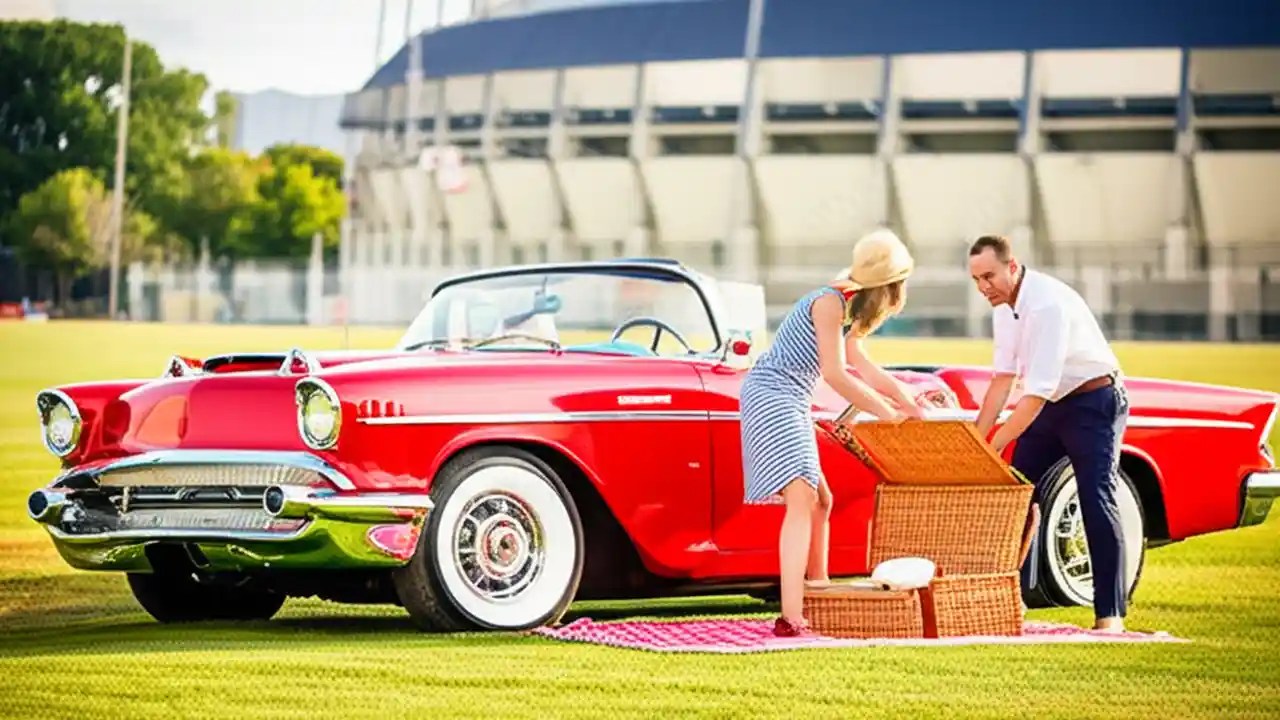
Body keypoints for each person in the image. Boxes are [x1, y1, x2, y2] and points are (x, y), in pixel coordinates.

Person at [739, 228, 926, 637]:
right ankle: (791, 615)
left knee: (822, 500)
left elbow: (865, 366)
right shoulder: (829, 303)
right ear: (886, 287)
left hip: (789, 398)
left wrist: (907, 400)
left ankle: (817, 589)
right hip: (773, 395)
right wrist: (884, 413)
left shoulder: (846, 305)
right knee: (803, 498)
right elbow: (836, 374)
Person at [967, 235, 1131, 633]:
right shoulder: (1003, 309)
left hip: (1095, 402)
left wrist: (996, 444)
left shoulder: (1047, 305)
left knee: (1096, 497)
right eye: (976, 280)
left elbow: (1035, 393)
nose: (983, 287)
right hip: (1052, 404)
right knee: (1019, 494)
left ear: (1012, 265)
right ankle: (1008, 604)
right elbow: (1002, 382)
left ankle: (1110, 615)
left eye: (989, 276)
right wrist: (974, 442)